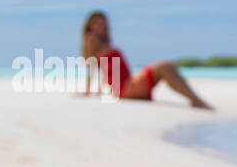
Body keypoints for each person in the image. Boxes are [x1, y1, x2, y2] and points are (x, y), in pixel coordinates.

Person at [80, 11, 213, 110]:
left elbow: (105, 68)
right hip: (125, 88)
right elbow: (93, 65)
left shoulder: (104, 42)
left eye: (103, 22)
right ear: (90, 25)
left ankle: (195, 100)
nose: (101, 25)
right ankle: (196, 100)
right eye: (97, 22)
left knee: (167, 67)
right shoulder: (92, 40)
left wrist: (99, 90)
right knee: (165, 66)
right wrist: (88, 90)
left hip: (127, 84)